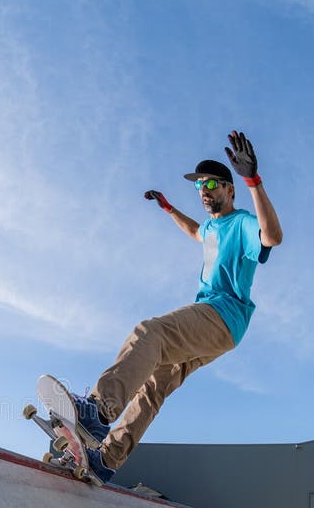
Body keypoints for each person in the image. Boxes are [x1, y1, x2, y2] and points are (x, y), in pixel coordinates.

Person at [71, 130, 283, 484]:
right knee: (154, 385)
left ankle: (98, 409)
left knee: (151, 333)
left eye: (212, 185)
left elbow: (272, 237)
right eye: (200, 186)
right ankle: (106, 460)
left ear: (230, 190)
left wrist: (253, 180)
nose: (204, 191)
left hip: (221, 314)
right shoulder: (212, 228)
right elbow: (194, 232)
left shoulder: (242, 221)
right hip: (223, 333)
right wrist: (168, 208)